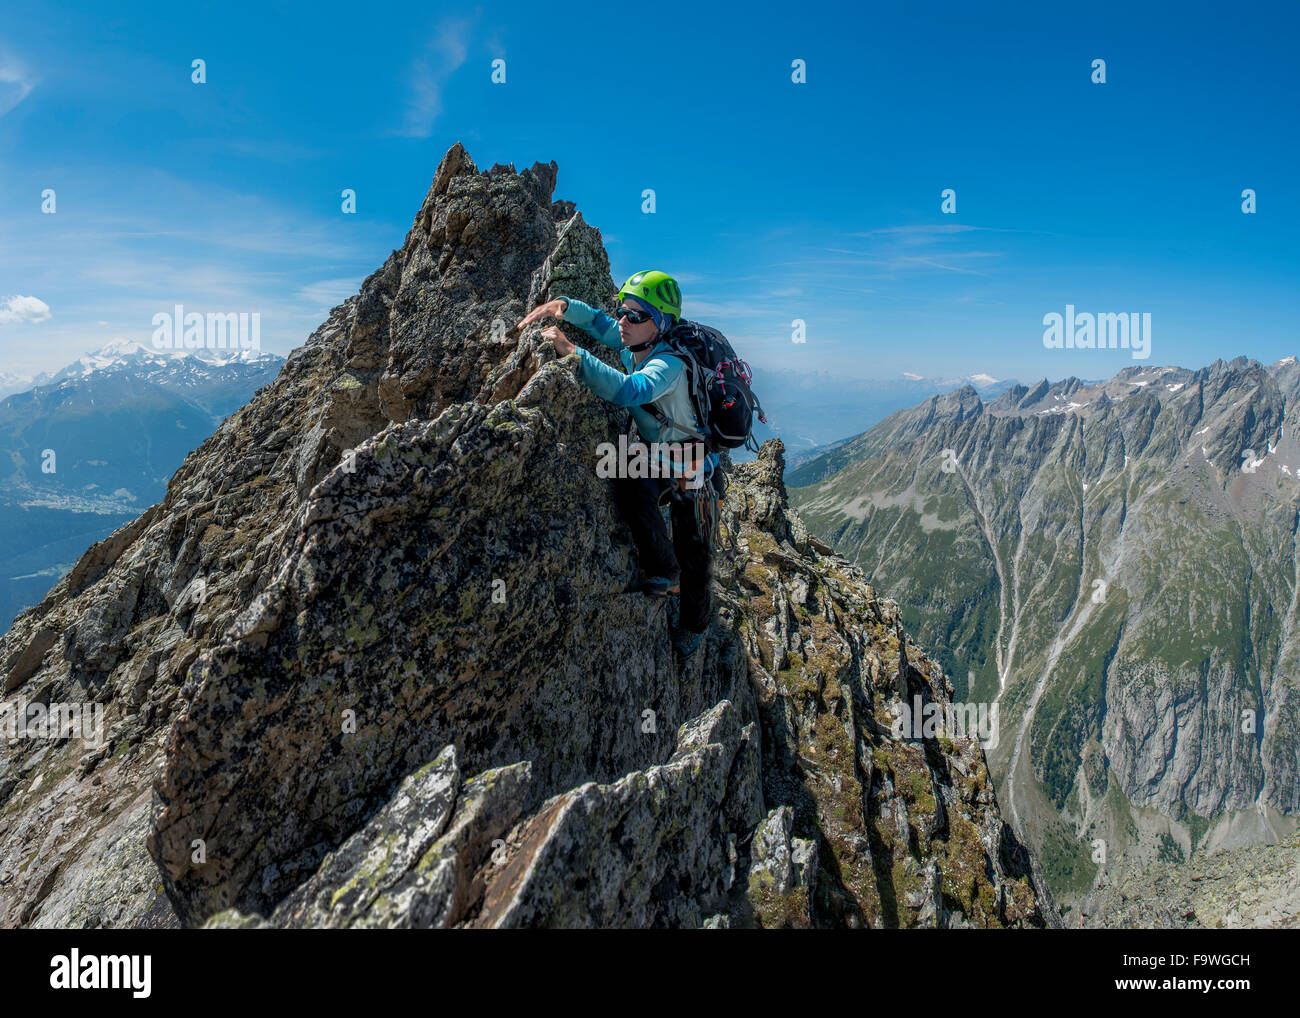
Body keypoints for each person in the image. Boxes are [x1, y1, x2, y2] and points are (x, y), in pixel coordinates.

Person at [516, 270, 720, 658]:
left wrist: (573, 354)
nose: (624, 322)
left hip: (693, 467)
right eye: (623, 312)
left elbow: (629, 391)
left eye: (636, 316)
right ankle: (664, 568)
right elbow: (601, 324)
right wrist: (563, 307)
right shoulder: (636, 344)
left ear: (659, 323)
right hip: (661, 457)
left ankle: (694, 626)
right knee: (631, 487)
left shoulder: (669, 365)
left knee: (695, 556)